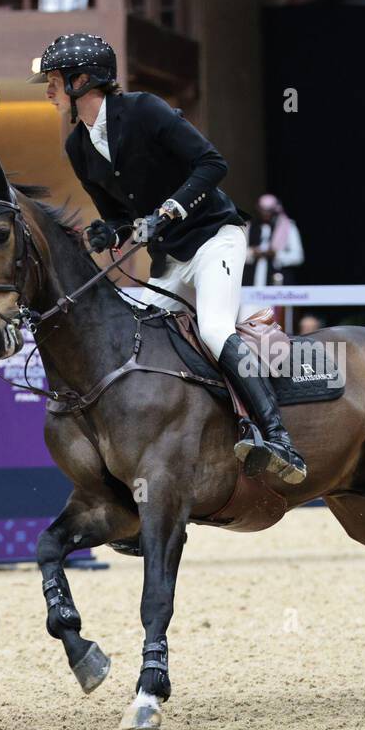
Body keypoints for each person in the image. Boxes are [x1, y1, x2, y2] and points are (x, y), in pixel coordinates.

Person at [32, 33, 306, 484]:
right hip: (171, 260)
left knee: (215, 329)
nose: (48, 91)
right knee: (142, 336)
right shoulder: (78, 148)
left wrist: (170, 209)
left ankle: (278, 438)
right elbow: (120, 216)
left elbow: (213, 163)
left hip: (214, 237)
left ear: (82, 81)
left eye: (54, 81)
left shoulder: (143, 110)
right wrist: (110, 230)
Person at [245, 194, 304, 287]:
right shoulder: (248, 226)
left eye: (268, 211)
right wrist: (252, 253)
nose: (265, 214)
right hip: (250, 281)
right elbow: (237, 253)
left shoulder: (287, 227)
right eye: (262, 210)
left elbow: (298, 256)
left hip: (278, 281)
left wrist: (276, 254)